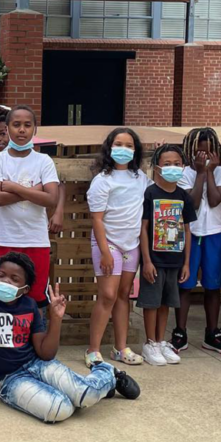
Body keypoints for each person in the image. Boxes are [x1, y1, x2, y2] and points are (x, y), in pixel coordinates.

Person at [0, 252, 139, 423]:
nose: (5, 281)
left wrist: (56, 320)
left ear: (25, 289)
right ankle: (96, 388)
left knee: (83, 395)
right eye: (1, 275)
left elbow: (46, 353)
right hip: (8, 379)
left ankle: (108, 374)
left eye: (14, 279)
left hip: (38, 364)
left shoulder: (30, 306)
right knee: (60, 409)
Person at [0, 106, 60, 307]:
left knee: (35, 300)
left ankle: (34, 339)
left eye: (27, 125)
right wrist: (35, 191)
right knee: (2, 296)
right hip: (4, 238)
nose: (22, 130)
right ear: (8, 128)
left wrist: (13, 187)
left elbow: (52, 199)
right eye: (16, 125)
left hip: (36, 240)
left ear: (35, 130)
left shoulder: (44, 161)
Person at [85, 128, 148, 367]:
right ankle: (93, 350)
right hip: (108, 243)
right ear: (110, 148)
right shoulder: (102, 180)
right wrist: (104, 251)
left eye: (129, 145)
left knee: (123, 295)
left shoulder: (140, 177)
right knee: (108, 295)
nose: (124, 149)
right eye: (119, 144)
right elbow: (97, 219)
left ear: (136, 150)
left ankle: (120, 348)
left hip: (131, 245)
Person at [174, 128, 221, 355]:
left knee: (213, 285)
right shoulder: (182, 173)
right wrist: (200, 173)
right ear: (189, 152)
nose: (204, 157)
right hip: (190, 234)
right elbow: (193, 204)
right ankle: (180, 331)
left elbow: (214, 199)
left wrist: (209, 172)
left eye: (208, 152)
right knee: (185, 285)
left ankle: (212, 333)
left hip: (214, 234)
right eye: (199, 152)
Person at [139, 145, 196, 367]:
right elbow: (143, 228)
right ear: (157, 168)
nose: (173, 168)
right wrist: (147, 260)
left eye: (177, 164)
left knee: (166, 302)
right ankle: (150, 343)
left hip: (175, 259)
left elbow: (187, 230)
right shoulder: (150, 193)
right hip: (154, 259)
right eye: (167, 164)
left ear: (183, 167)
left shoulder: (184, 197)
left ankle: (162, 341)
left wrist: (187, 263)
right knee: (151, 302)